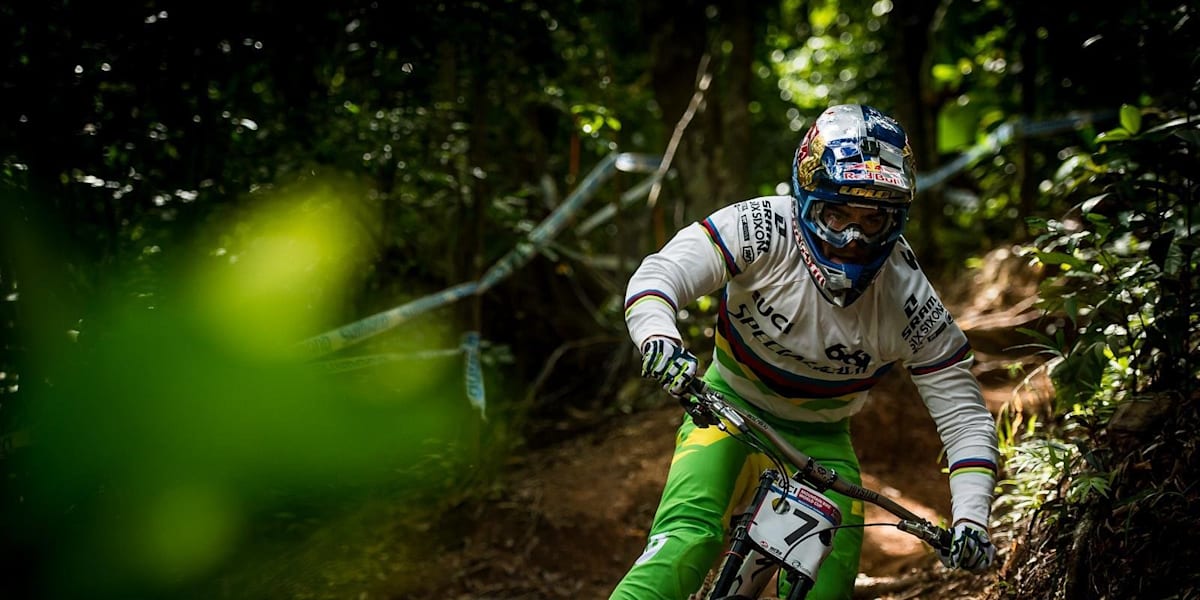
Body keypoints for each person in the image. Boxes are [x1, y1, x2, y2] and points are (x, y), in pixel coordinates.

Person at [612, 104, 999, 600]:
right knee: (686, 543)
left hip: (822, 442)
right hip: (725, 411)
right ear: (804, 199)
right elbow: (660, 275)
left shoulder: (908, 296)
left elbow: (965, 415)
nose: (852, 239)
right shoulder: (759, 228)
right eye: (836, 214)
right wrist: (659, 340)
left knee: (830, 585)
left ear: (896, 220)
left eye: (872, 220)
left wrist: (971, 518)